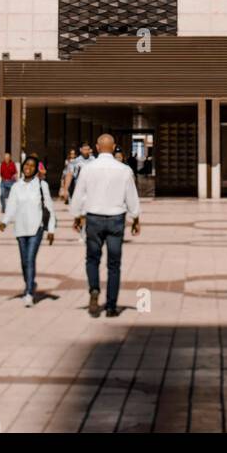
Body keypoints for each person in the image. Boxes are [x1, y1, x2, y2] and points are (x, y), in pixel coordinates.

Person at [71, 132, 140, 317]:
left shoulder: (88, 169)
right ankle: (111, 306)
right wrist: (136, 218)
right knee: (114, 264)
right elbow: (131, 196)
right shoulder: (124, 170)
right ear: (114, 146)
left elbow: (79, 194)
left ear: (97, 147)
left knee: (92, 259)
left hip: (93, 218)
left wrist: (77, 216)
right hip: (116, 219)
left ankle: (94, 289)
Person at [0, 155, 56, 306]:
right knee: (24, 262)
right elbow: (11, 206)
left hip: (37, 228)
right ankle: (30, 283)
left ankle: (29, 292)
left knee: (30, 259)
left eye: (32, 165)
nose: (28, 167)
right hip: (20, 229)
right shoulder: (16, 186)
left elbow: (49, 208)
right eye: (26, 165)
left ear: (36, 169)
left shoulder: (42, 186)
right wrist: (4, 221)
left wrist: (50, 230)